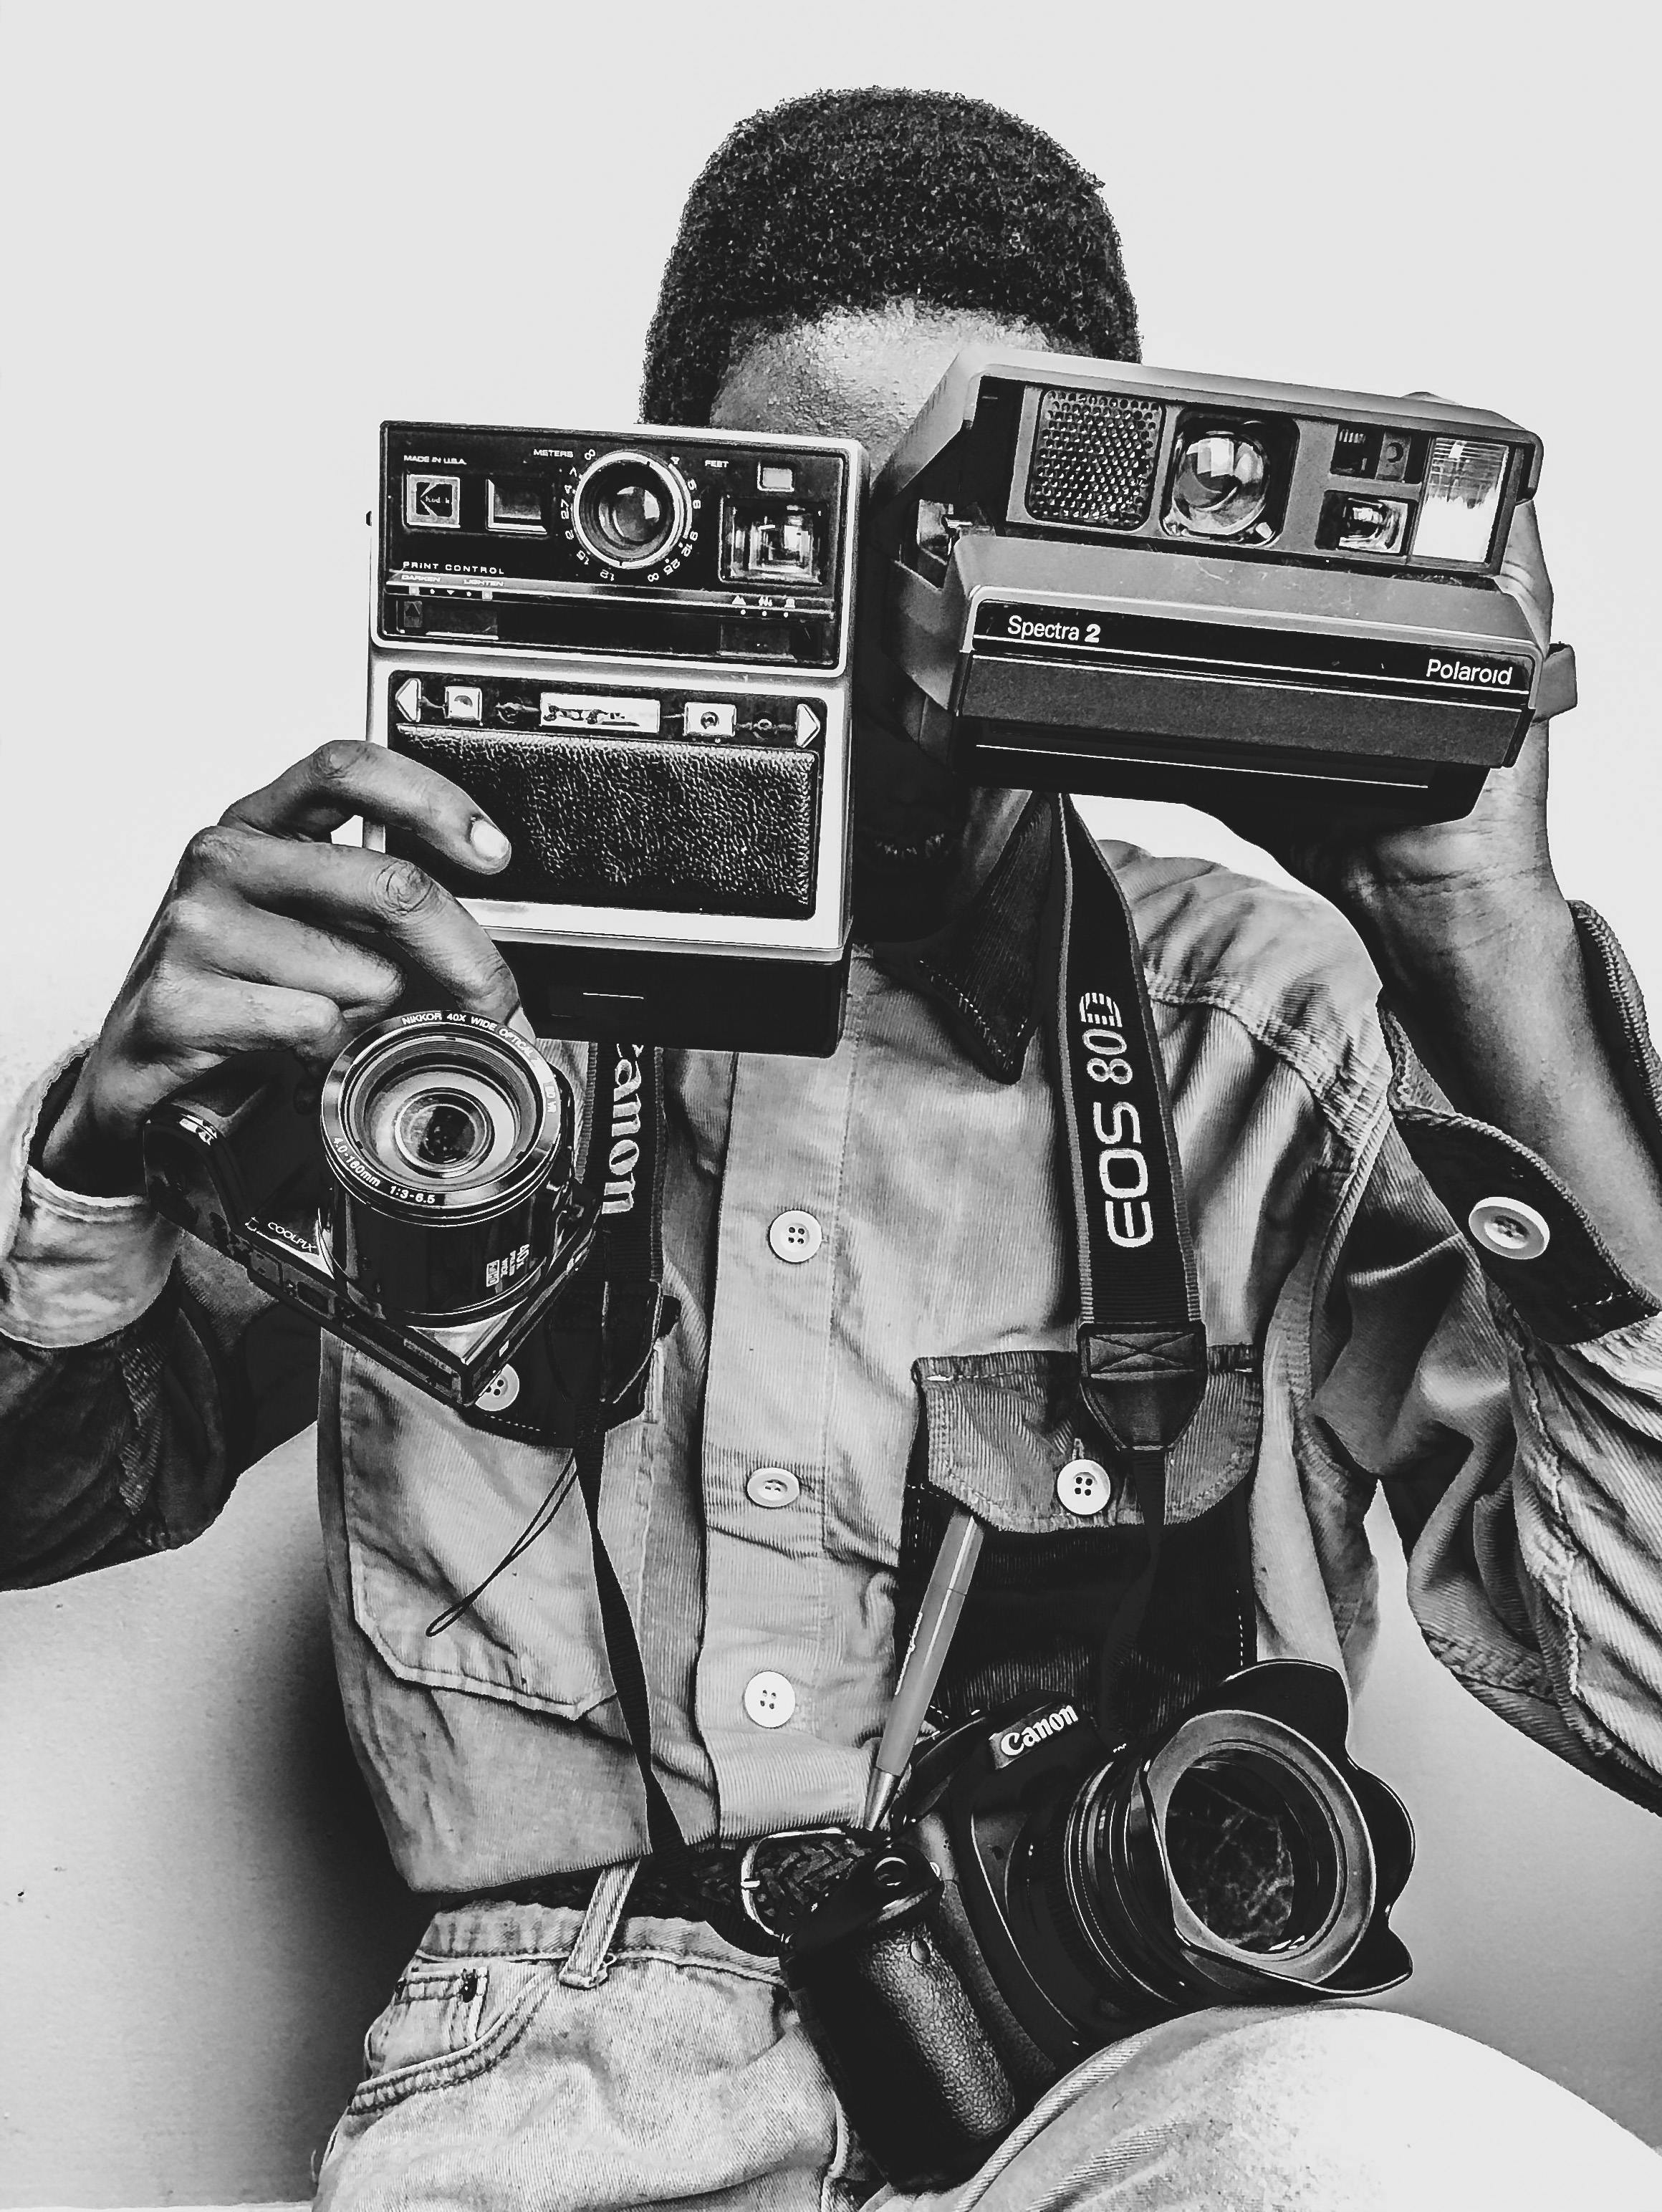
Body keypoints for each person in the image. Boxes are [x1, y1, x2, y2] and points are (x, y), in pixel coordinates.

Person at [4, 87, 1662, 2211]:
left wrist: (1487, 955)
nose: (912, 631)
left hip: (1123, 2062)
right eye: (829, 528)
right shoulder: (433, 992)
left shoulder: (1266, 1016)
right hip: (549, 2098)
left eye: (990, 527)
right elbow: (47, 1496)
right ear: (682, 514)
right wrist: (100, 1168)